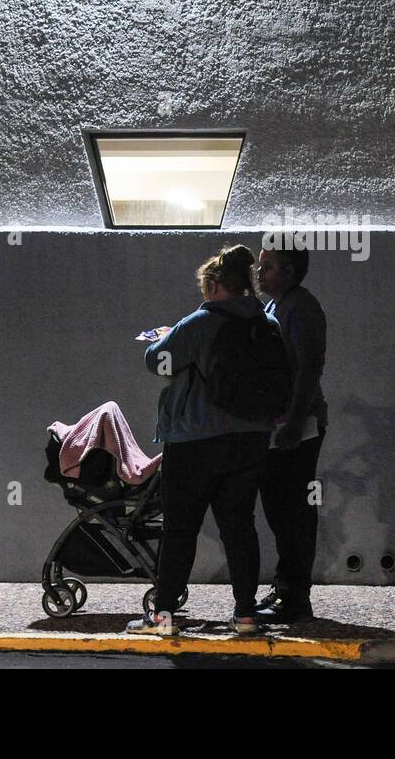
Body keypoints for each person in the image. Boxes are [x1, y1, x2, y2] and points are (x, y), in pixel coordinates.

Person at [126, 244, 288, 637]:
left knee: (181, 528)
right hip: (250, 440)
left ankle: (163, 616)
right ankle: (246, 615)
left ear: (215, 286)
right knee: (239, 526)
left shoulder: (200, 322)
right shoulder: (267, 324)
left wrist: (169, 336)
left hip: (195, 440)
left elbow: (155, 360)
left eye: (205, 288)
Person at [254, 239, 328, 624]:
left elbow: (308, 368)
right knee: (279, 510)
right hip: (279, 425)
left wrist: (296, 422)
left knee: (293, 511)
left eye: (267, 266)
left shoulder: (301, 307)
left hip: (296, 427)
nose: (259, 272)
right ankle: (287, 588)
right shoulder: (275, 306)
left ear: (289, 271)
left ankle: (295, 597)